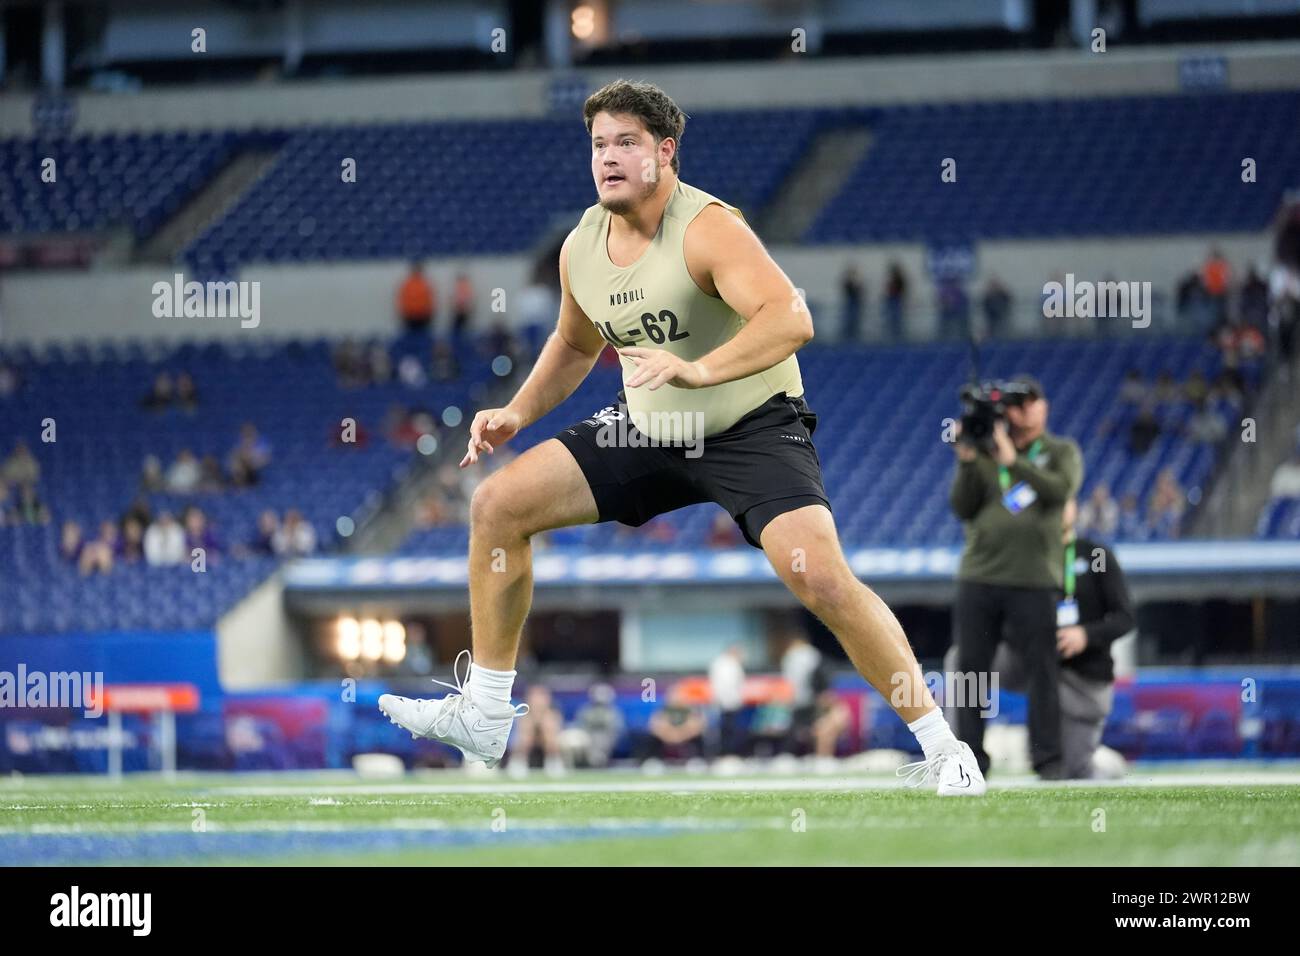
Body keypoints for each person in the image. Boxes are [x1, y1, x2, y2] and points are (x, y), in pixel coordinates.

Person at [379, 79, 985, 795]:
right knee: (498, 505)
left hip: (750, 426)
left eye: (626, 142)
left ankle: (944, 749)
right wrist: (517, 410)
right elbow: (574, 348)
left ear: (665, 152)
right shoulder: (582, 246)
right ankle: (484, 712)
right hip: (649, 426)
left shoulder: (709, 228)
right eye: (599, 144)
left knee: (817, 574)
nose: (608, 157)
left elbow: (791, 319)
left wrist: (699, 370)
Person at [948, 374, 1083, 779]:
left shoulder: (1061, 451)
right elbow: (962, 506)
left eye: (1029, 403)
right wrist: (968, 460)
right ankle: (970, 758)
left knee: (1044, 669)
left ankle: (1048, 759)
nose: (1021, 411)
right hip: (980, 575)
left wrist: (1013, 461)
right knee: (971, 670)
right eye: (1014, 404)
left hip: (1035, 578)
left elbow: (1060, 490)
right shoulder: (985, 450)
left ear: (1044, 408)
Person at [945, 499, 1133, 779]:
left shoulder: (1095, 555)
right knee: (961, 658)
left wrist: (1086, 635)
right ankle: (957, 755)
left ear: (1073, 507)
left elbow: (1124, 617)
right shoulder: (1020, 559)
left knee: (1075, 771)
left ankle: (1108, 763)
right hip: (1030, 662)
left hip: (1078, 679)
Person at [397, 261, 435, 334]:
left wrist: (430, 312)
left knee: (423, 336)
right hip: (409, 316)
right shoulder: (407, 284)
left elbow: (430, 299)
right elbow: (402, 299)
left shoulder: (425, 283)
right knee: (410, 336)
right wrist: (403, 312)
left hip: (423, 315)